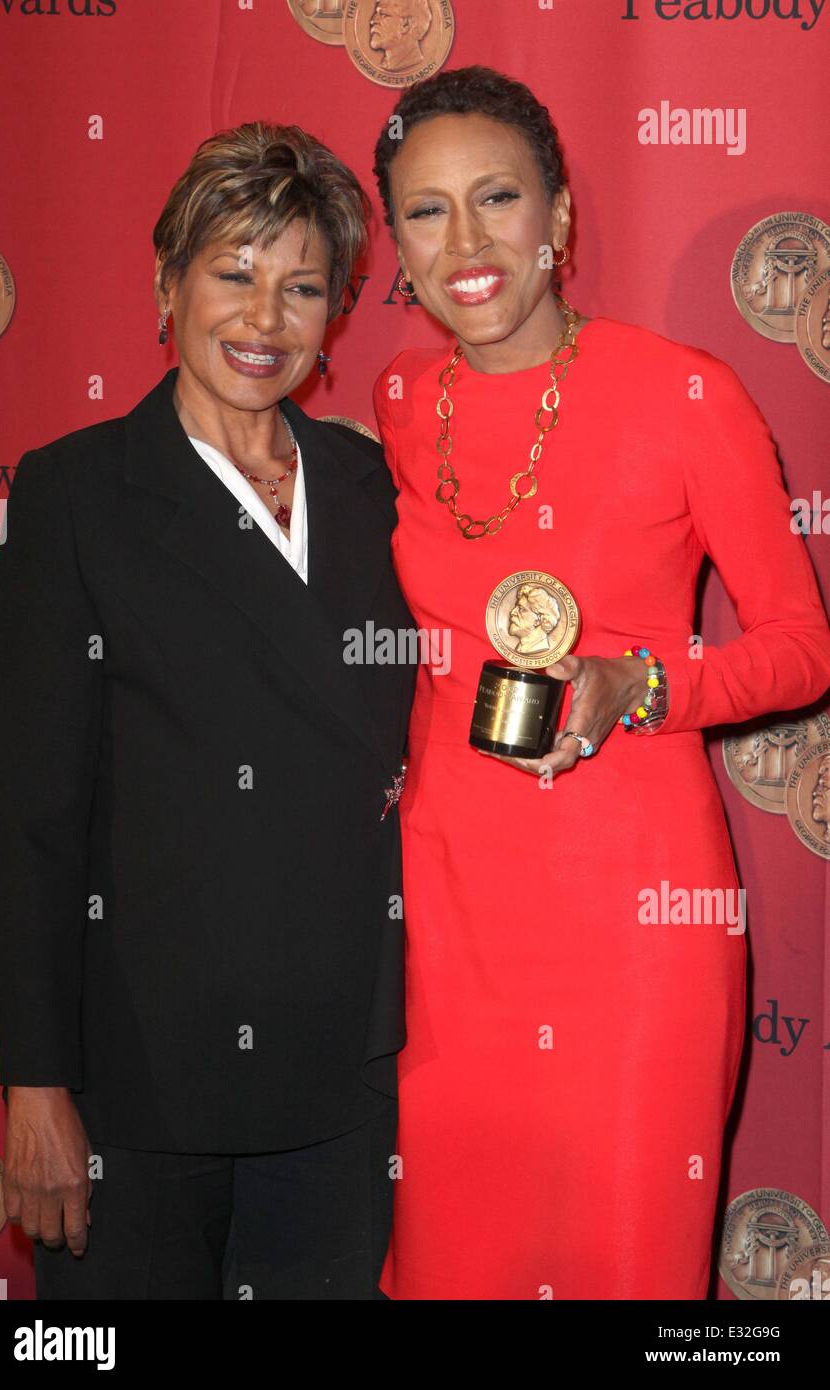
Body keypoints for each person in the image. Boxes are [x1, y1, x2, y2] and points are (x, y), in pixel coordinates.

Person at [369, 65, 830, 1300]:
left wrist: (638, 686)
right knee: (452, 1259)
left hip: (636, 921)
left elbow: (800, 643)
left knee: (625, 1261)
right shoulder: (403, 400)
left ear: (559, 217)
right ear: (396, 249)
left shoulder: (687, 395)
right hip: (453, 908)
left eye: (497, 198)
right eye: (424, 211)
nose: (464, 243)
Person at [0, 121, 416, 1300]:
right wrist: (35, 1089)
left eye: (301, 287)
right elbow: (31, 820)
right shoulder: (76, 492)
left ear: (337, 314)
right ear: (164, 284)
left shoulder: (375, 484)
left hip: (344, 1072)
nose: (263, 317)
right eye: (232, 272)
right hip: (138, 1078)